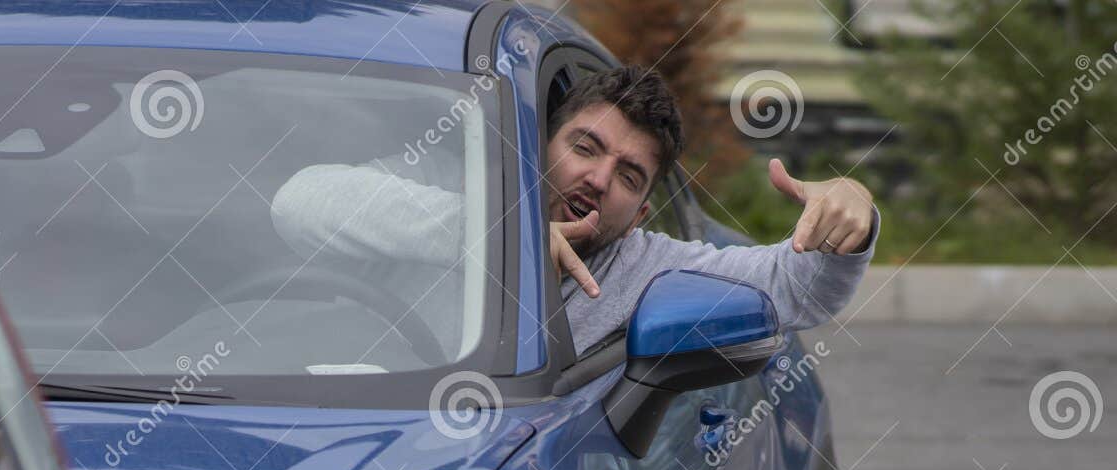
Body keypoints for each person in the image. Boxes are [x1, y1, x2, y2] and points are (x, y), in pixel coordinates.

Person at [271, 65, 878, 357]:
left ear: (639, 216)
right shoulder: (445, 185)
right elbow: (298, 202)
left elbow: (797, 290)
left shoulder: (645, 267)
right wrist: (503, 233)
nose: (598, 178)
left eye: (628, 176)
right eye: (584, 148)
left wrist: (855, 209)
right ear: (538, 148)